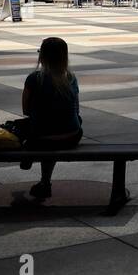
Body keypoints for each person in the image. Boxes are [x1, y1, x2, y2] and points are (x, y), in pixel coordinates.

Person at [15, 37, 84, 198]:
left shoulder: (34, 78)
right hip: (72, 136)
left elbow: (26, 110)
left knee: (24, 127)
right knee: (74, 120)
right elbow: (77, 108)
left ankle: (30, 154)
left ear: (42, 56)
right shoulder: (71, 78)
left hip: (42, 137)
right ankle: (45, 182)